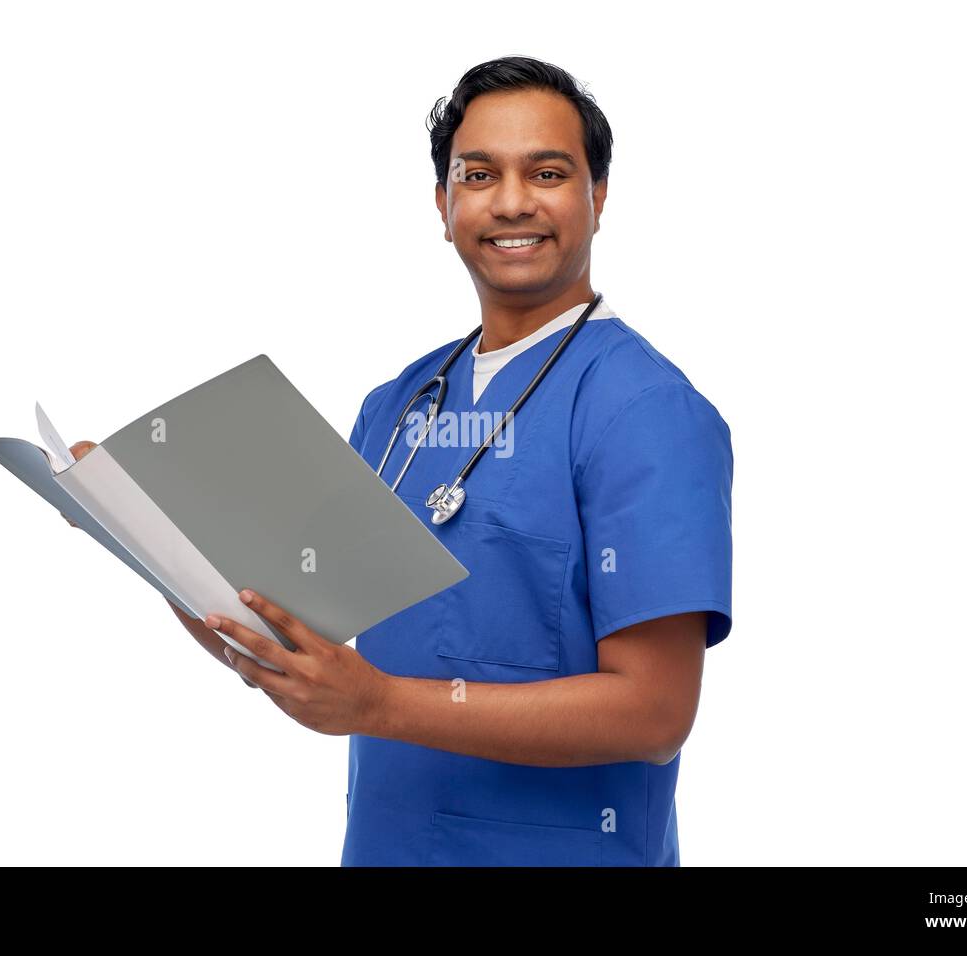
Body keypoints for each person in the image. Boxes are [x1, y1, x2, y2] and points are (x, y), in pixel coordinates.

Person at [70, 55, 733, 867]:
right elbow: (296, 652)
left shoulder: (646, 411)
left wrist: (379, 703)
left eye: (548, 172)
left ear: (598, 197)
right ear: (443, 204)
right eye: (479, 173)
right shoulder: (398, 407)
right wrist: (143, 533)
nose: (513, 200)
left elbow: (655, 713)